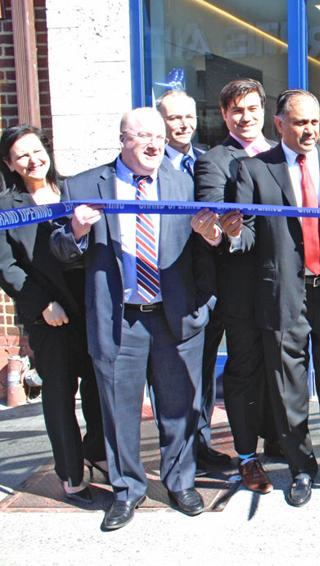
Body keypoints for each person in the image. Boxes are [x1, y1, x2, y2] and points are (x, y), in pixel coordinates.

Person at [49, 107, 222, 531]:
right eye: (143, 136)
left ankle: (180, 482)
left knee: (180, 407)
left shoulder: (184, 183)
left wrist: (203, 302)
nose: (153, 144)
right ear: (123, 139)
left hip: (174, 316)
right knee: (118, 410)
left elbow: (204, 252)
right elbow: (59, 251)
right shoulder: (85, 185)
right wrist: (76, 230)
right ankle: (127, 490)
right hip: (119, 319)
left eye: (159, 137)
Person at [232, 89, 320, 507]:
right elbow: (246, 234)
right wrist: (232, 233)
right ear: (279, 124)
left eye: (315, 122)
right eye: (299, 123)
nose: (310, 130)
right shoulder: (255, 170)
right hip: (283, 295)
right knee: (288, 389)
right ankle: (301, 469)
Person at [0, 125, 105, 504]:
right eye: (22, 156)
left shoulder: (72, 189)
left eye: (37, 150)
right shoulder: (6, 207)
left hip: (91, 304)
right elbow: (7, 267)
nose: (33, 160)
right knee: (60, 394)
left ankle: (97, 453)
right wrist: (43, 304)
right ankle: (71, 474)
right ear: (10, 164)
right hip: (50, 313)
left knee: (97, 387)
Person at [194, 78, 278, 493]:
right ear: (225, 115)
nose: (245, 117)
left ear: (264, 110)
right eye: (236, 110)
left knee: (282, 365)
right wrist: (220, 233)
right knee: (245, 368)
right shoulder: (214, 161)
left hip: (286, 281)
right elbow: (212, 224)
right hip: (243, 285)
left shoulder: (282, 152)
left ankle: (280, 440)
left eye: (252, 108)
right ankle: (247, 456)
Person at [157, 89, 229, 473]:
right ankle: (180, 455)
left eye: (188, 117)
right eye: (174, 118)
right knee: (178, 380)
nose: (183, 125)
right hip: (173, 291)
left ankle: (202, 446)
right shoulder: (152, 169)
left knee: (203, 371)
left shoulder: (205, 161)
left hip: (210, 287)